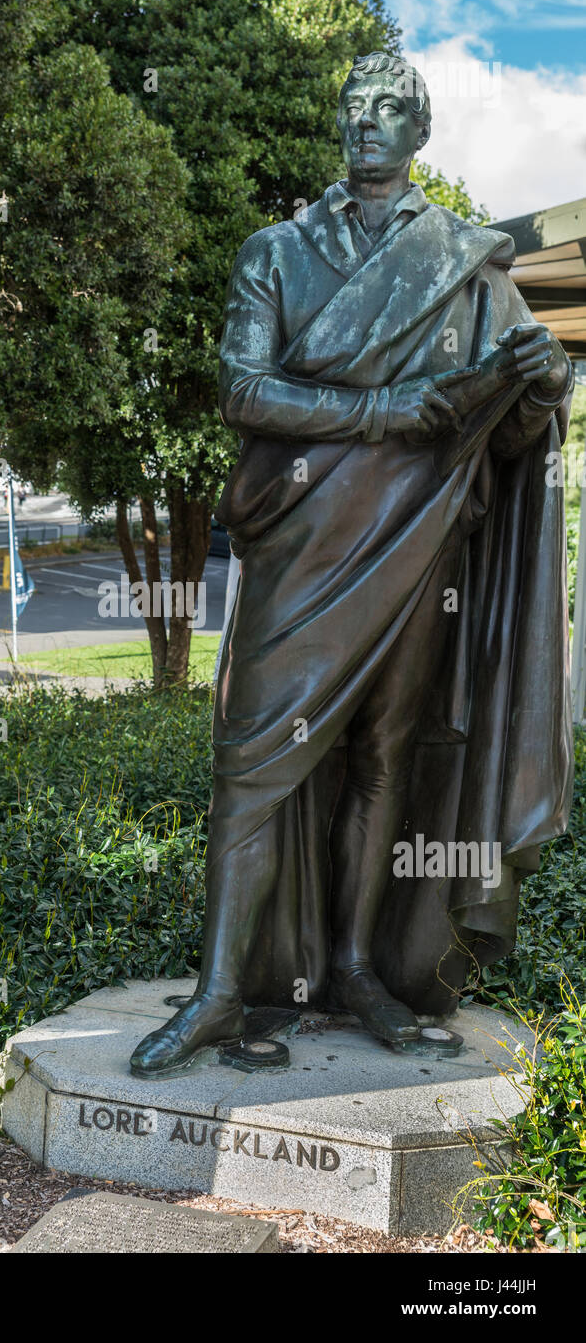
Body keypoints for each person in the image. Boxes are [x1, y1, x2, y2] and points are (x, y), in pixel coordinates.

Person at [131, 52, 573, 1078]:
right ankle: (220, 990)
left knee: (386, 752)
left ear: (418, 130)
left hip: (419, 547)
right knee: (251, 762)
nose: (366, 121)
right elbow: (243, 389)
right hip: (300, 541)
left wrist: (543, 391)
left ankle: (359, 965)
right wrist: (377, 414)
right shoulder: (276, 252)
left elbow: (503, 444)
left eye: (387, 108)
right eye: (353, 105)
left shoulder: (472, 267)